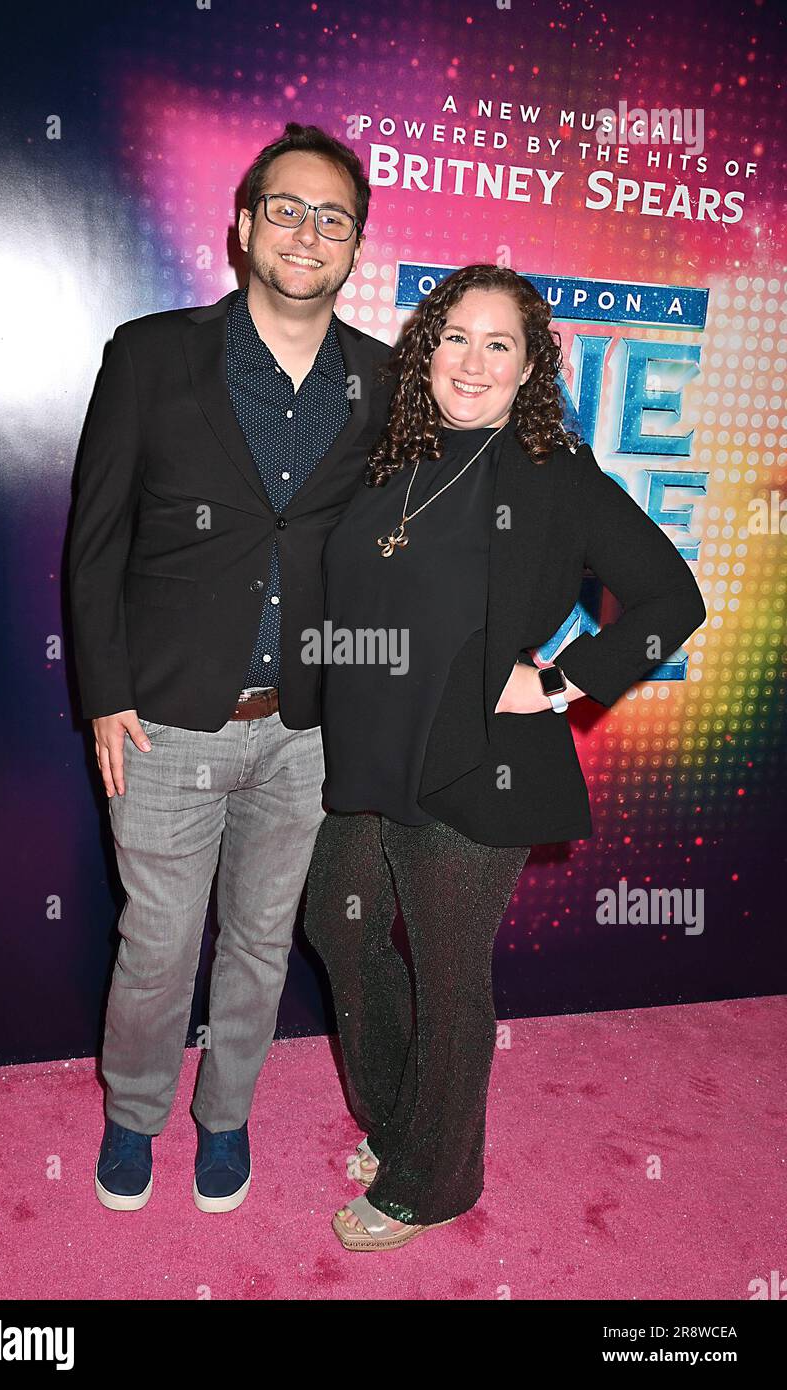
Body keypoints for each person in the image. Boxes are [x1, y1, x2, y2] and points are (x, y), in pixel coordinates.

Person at [301, 263, 707, 1252]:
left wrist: (560, 680)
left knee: (447, 974)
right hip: (368, 753)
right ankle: (398, 1121)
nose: (472, 361)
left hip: (480, 766)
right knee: (340, 930)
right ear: (425, 349)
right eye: (456, 337)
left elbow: (672, 596)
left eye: (500, 344)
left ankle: (432, 1182)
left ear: (529, 368)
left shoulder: (553, 473)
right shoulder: (384, 456)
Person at [68, 123, 394, 1213]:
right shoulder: (153, 354)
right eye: (288, 209)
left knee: (260, 942)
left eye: (333, 218)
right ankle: (131, 1113)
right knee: (157, 946)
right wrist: (104, 692)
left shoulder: (385, 382)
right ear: (245, 226)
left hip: (305, 727)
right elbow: (97, 535)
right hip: (167, 722)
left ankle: (227, 1115)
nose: (309, 233)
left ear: (356, 250)